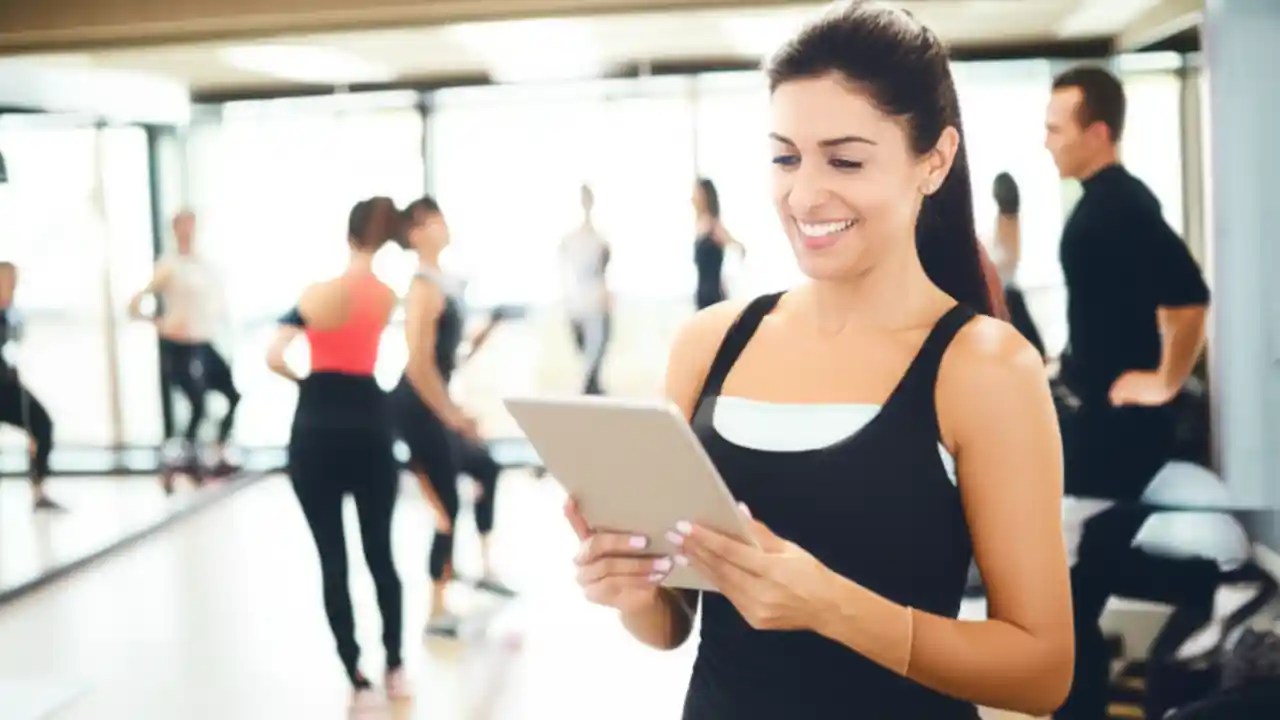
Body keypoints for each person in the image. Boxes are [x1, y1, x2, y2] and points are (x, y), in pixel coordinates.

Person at [565, 4, 1073, 718]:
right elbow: (673, 625)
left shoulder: (984, 367)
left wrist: (833, 607)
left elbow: (1042, 672)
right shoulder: (710, 343)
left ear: (934, 160)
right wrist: (631, 591)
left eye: (845, 160)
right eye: (785, 157)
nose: (803, 194)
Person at [1043, 65, 1210, 719]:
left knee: (1070, 599)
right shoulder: (1102, 203)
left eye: (1057, 129)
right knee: (1073, 594)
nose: (1047, 142)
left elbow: (1189, 296)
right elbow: (1114, 311)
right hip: (1098, 427)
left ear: (1098, 133)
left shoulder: (1121, 206)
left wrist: (1164, 381)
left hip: (1117, 440)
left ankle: (1213, 586)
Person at [266, 197, 409, 710]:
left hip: (316, 426)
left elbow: (274, 356)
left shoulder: (315, 294)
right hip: (368, 422)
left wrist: (307, 381)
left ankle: (357, 676)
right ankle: (395, 666)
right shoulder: (386, 295)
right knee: (380, 554)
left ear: (347, 235)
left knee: (333, 560)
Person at [390, 195, 513, 640]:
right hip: (415, 409)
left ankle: (485, 568)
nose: (442, 226)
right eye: (432, 221)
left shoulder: (442, 283)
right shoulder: (422, 288)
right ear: (415, 233)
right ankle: (436, 609)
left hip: (434, 405)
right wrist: (454, 416)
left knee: (486, 467)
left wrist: (482, 337)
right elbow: (419, 366)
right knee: (446, 506)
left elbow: (447, 359)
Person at [128, 210, 240, 477]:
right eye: (184, 226)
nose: (189, 231)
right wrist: (159, 323)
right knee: (198, 405)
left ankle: (218, 450)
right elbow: (133, 304)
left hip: (204, 341)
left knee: (232, 395)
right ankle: (185, 459)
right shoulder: (169, 265)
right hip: (179, 345)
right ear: (175, 229)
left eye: (192, 225)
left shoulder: (203, 264)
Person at [0, 262, 64, 511]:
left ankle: (39, 492)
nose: (11, 287)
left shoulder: (10, 314)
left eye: (13, 282)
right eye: (7, 281)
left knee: (42, 424)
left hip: (7, 387)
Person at [558, 184, 612, 395]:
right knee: (587, 364)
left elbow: (603, 274)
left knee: (593, 362)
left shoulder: (599, 239)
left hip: (595, 302)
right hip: (579, 304)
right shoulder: (570, 240)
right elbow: (564, 275)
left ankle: (591, 395)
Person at [990, 172, 1046, 359]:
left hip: (1006, 291)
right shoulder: (1007, 220)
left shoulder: (1008, 220)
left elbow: (1005, 258)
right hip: (1007, 288)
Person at [692, 177, 744, 310]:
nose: (693, 198)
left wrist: (731, 278)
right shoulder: (699, 225)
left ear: (705, 196)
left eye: (697, 193)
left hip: (714, 295)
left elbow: (739, 248)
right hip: (701, 294)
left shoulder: (714, 226)